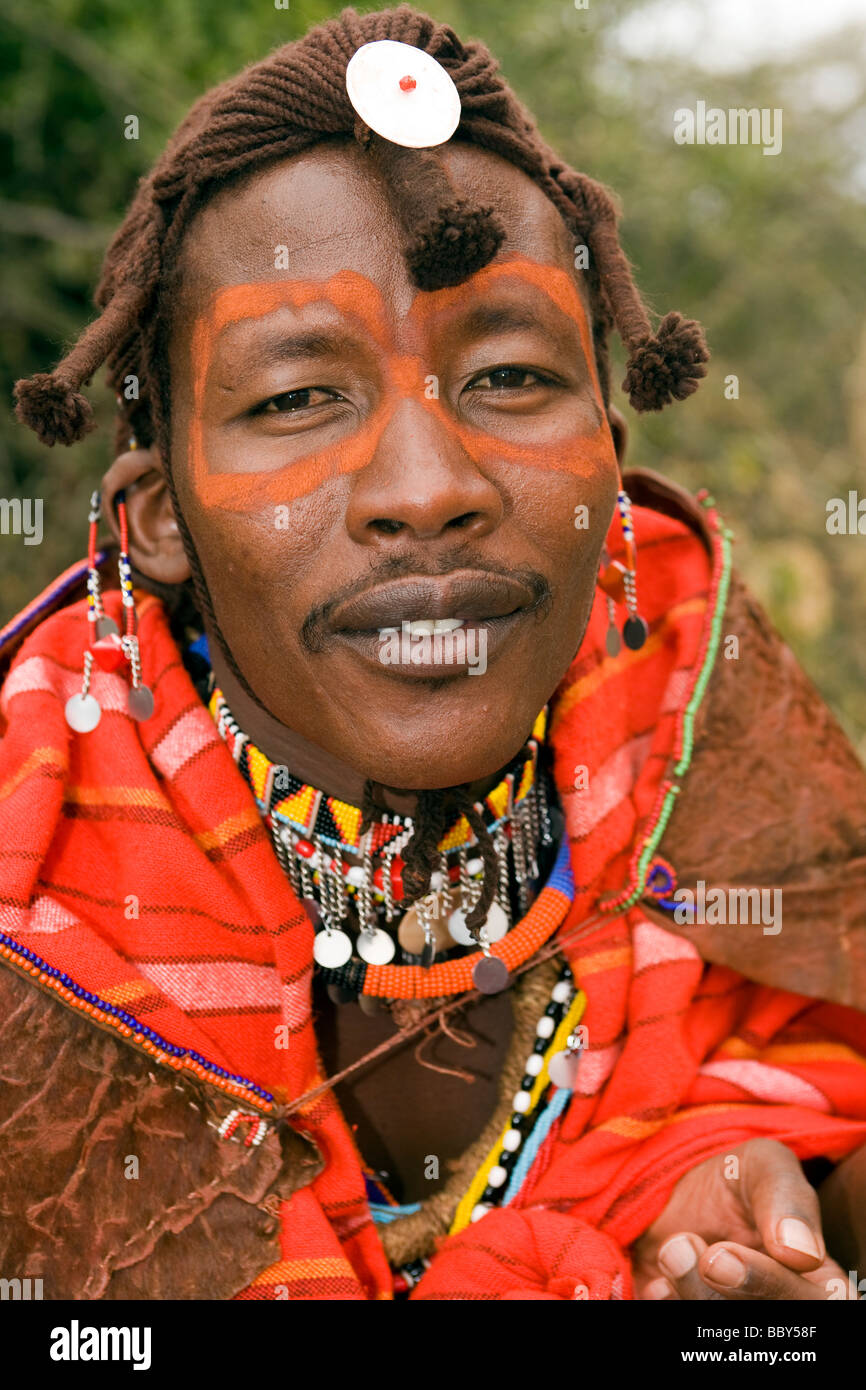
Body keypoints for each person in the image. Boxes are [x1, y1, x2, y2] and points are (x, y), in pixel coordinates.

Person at [2, 5, 865, 1302]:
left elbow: (816, 1073)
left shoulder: (697, 729)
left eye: (511, 376)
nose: (429, 485)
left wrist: (777, 1220)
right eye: (296, 396)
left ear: (611, 474)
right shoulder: (40, 916)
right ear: (160, 516)